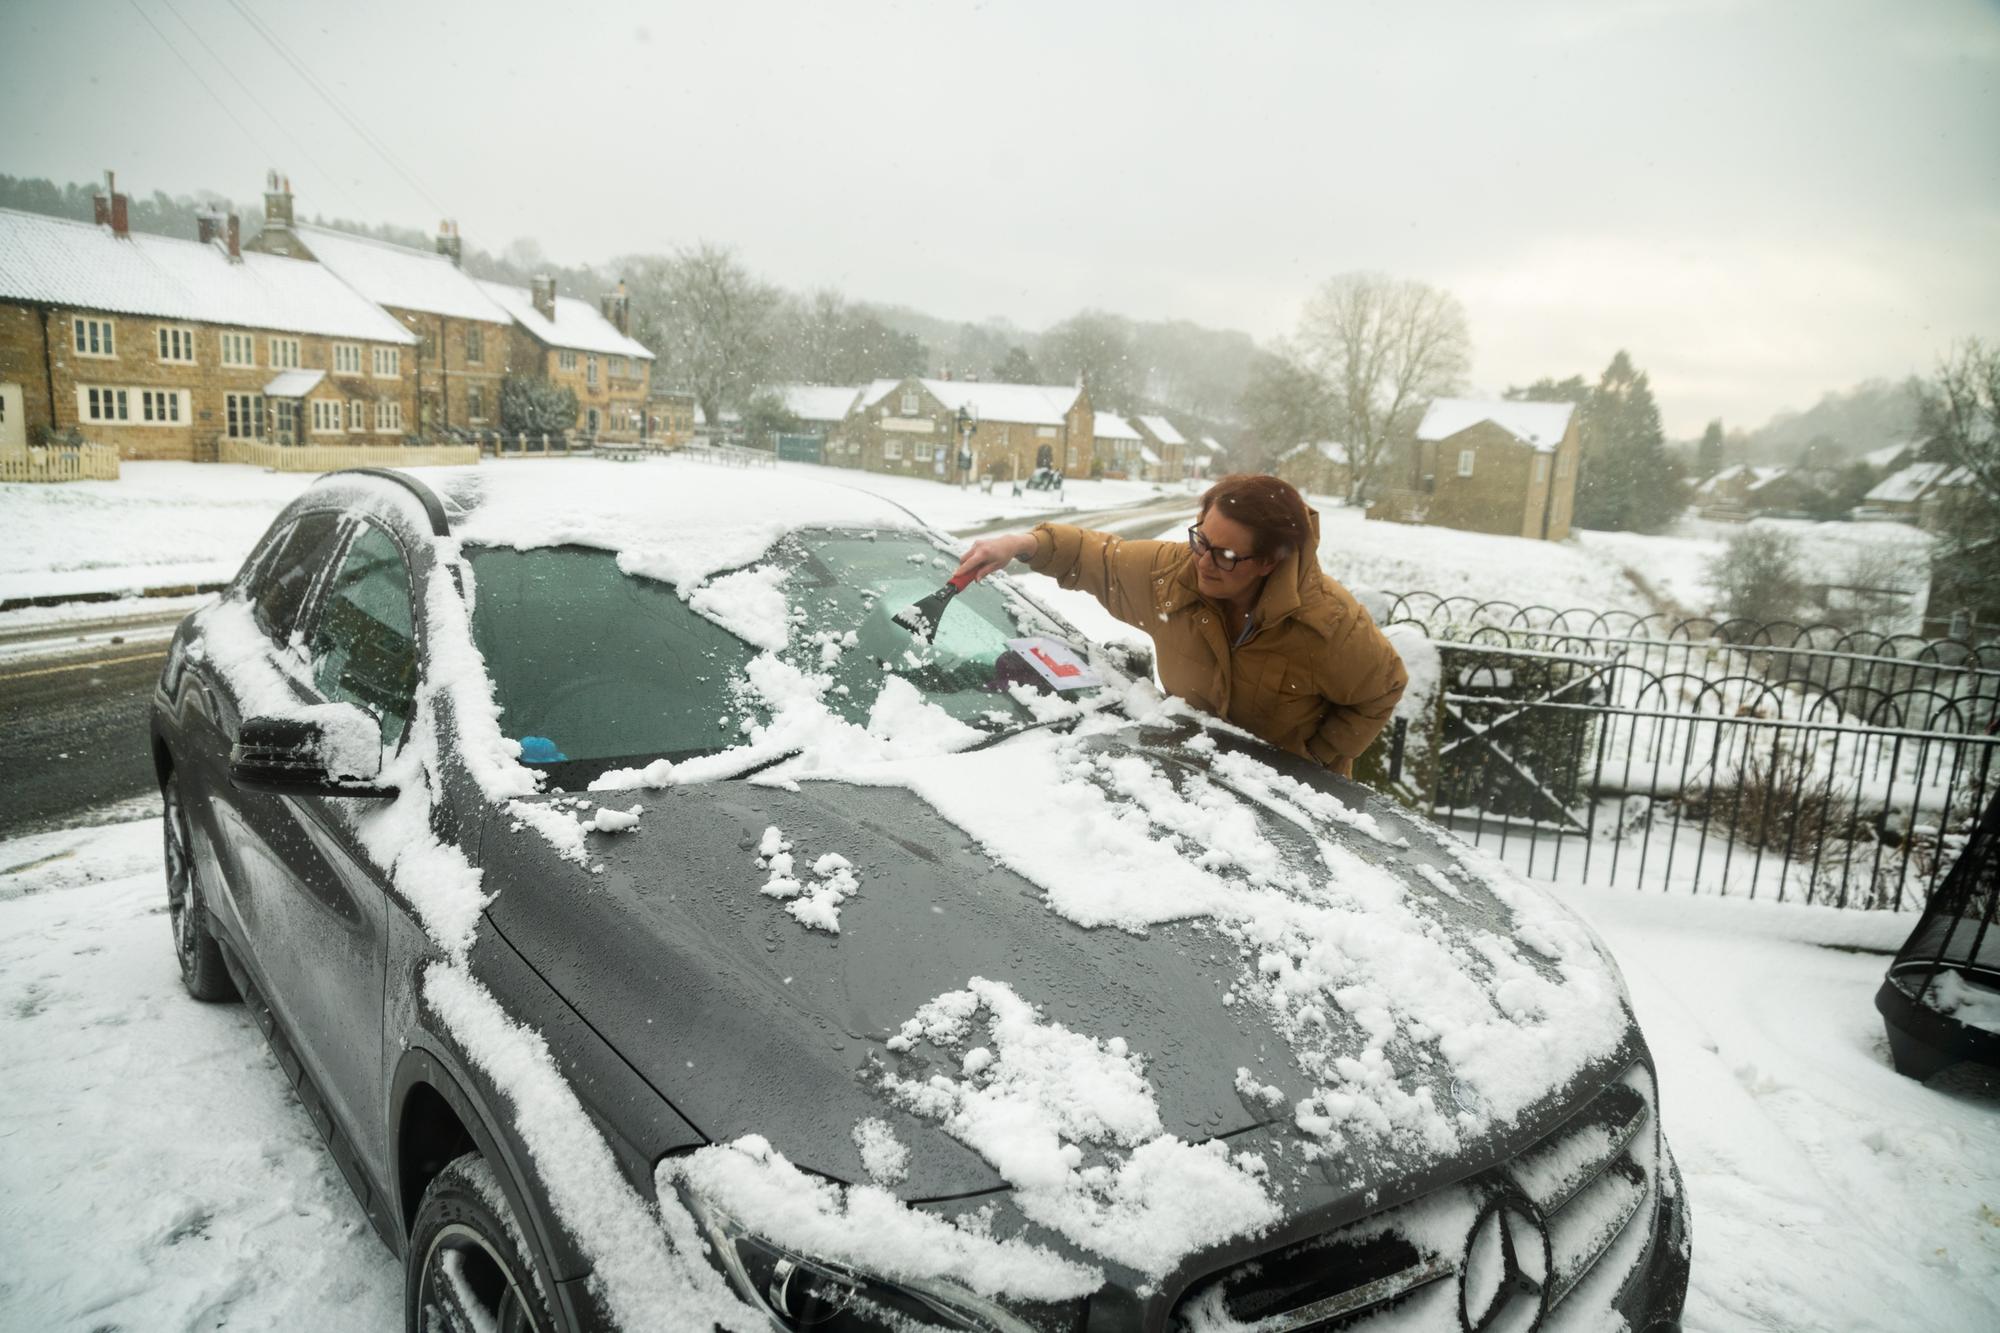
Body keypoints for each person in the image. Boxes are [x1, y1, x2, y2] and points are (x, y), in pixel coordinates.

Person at [952, 473, 1407, 776]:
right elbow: (1097, 557)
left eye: (1225, 555)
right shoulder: (1173, 575)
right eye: (1201, 540)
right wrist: (1020, 544)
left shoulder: (1330, 624)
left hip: (1288, 806)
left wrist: (1314, 759)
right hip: (1193, 784)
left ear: (1268, 561)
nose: (1203, 563)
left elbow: (1383, 688)